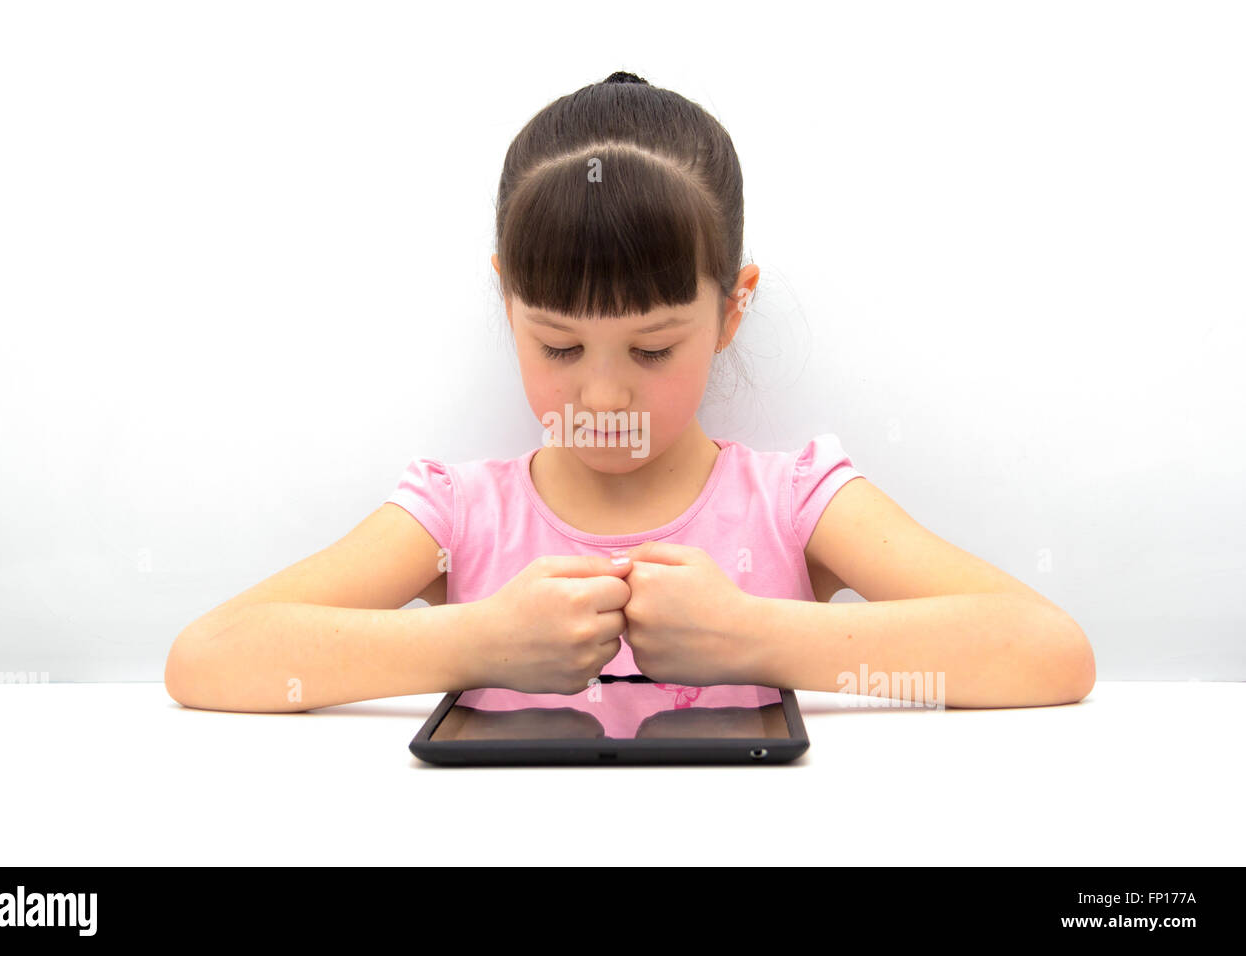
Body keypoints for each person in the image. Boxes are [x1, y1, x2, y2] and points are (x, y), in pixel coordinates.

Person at [165, 71, 1095, 714]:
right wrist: (475, 644)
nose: (602, 391)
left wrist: (755, 639)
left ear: (731, 313)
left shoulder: (795, 502)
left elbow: (1049, 652)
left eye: (652, 349)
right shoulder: (459, 512)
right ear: (507, 301)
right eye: (559, 344)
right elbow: (207, 659)